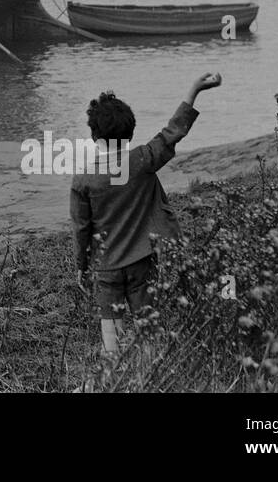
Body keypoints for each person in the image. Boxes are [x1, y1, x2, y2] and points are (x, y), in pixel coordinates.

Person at [70, 71, 222, 360]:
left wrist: (81, 264)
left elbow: (81, 228)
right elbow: (174, 131)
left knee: (110, 343)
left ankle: (113, 380)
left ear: (93, 136)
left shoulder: (84, 179)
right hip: (142, 260)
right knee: (148, 331)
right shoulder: (142, 159)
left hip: (106, 268)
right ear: (130, 133)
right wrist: (194, 89)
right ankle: (149, 376)